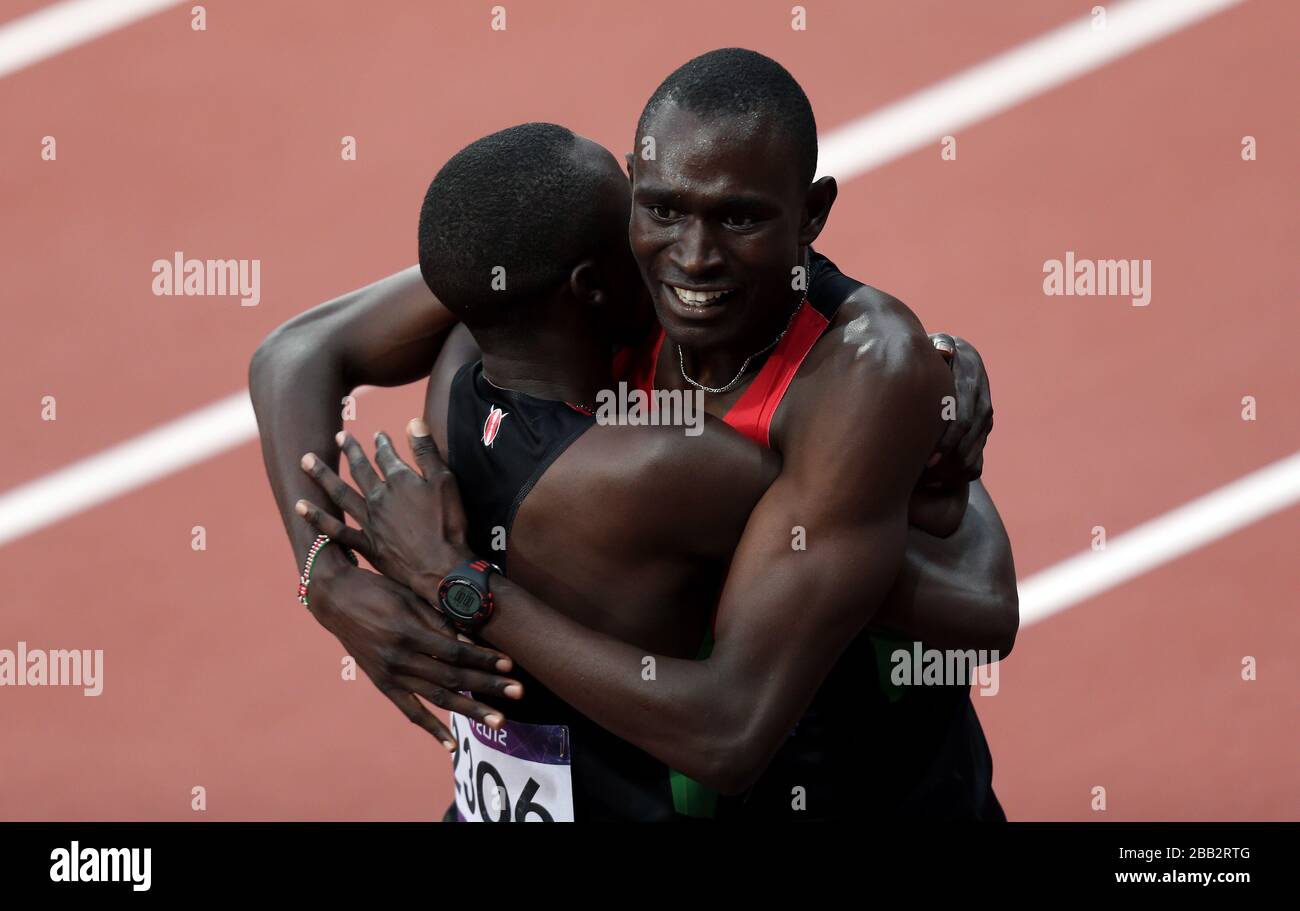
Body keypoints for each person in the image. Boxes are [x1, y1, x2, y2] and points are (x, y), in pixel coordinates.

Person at [276, 49, 1017, 820]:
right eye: (664, 209)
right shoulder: (603, 263)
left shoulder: (853, 373)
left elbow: (981, 611)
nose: (693, 259)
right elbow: (296, 352)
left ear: (813, 212)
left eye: (739, 216)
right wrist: (325, 576)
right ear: (630, 196)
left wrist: (457, 582)